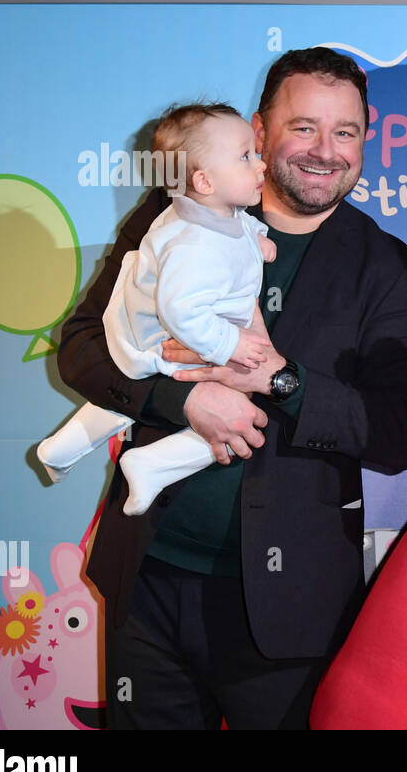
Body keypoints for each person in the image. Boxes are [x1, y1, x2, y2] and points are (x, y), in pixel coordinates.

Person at [57, 47, 407, 729]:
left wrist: (279, 380)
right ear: (259, 132)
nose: (325, 151)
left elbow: (396, 431)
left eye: (344, 132)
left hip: (289, 613)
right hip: (150, 583)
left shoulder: (390, 269)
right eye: (304, 127)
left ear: (366, 137)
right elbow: (84, 347)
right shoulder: (171, 214)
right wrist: (187, 400)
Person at [38, 103, 276, 516]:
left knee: (121, 401)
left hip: (153, 338)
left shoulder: (214, 211)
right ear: (203, 180)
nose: (261, 165)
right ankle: (150, 465)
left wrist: (258, 236)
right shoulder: (194, 243)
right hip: (162, 341)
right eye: (246, 157)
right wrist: (229, 344)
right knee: (241, 419)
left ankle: (61, 448)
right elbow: (181, 311)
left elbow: (238, 225)